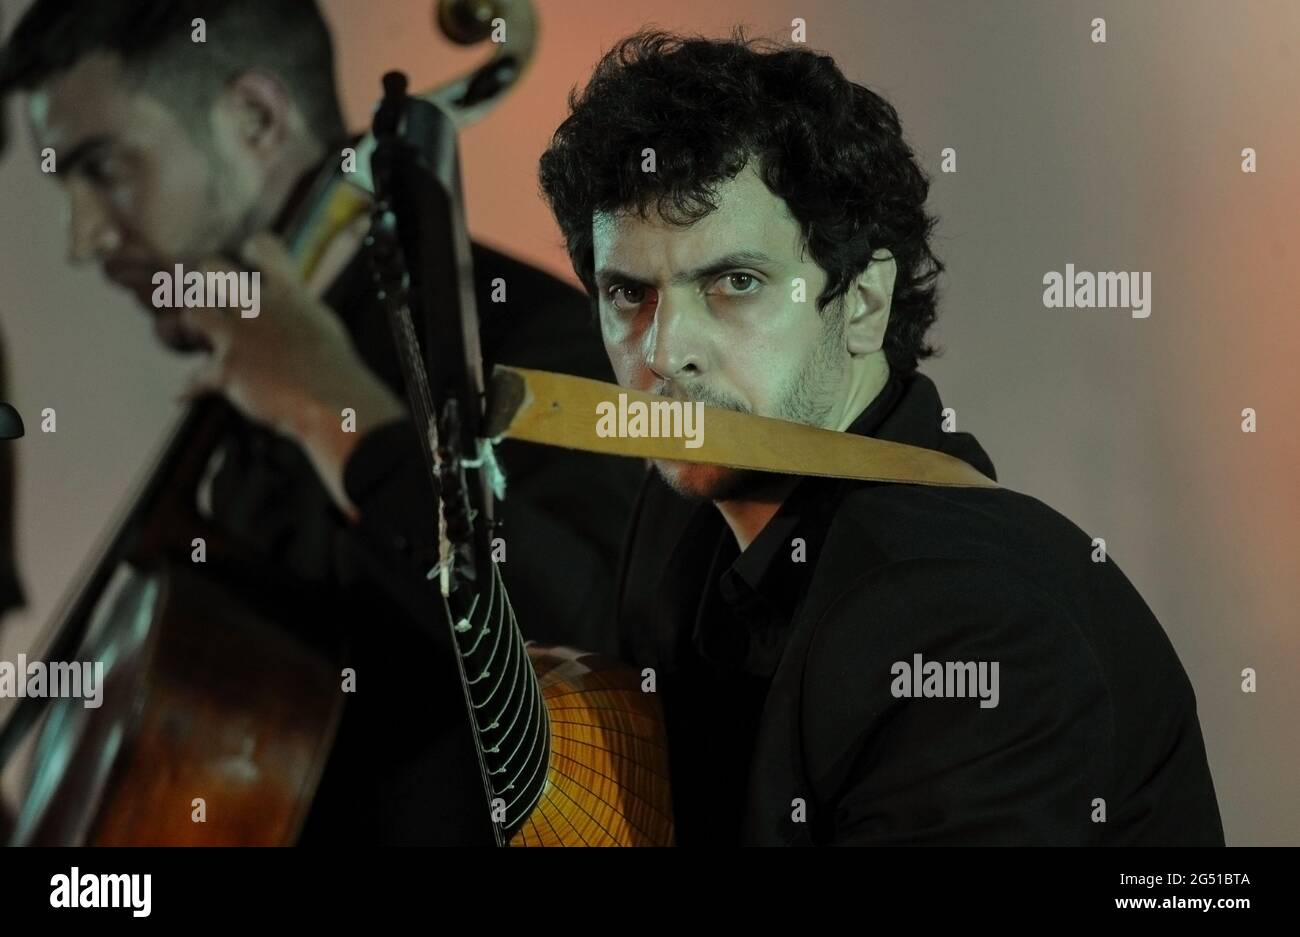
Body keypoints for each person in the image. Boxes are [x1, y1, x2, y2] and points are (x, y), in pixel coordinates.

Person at [538, 30, 1226, 845]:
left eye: (733, 282)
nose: (662, 352)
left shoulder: (974, 618)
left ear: (862, 303)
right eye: (629, 293)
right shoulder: (674, 525)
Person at [0, 0, 641, 844]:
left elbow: (591, 673)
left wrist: (345, 418)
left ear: (257, 118)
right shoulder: (232, 420)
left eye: (104, 167)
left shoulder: (532, 342)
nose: (82, 238)